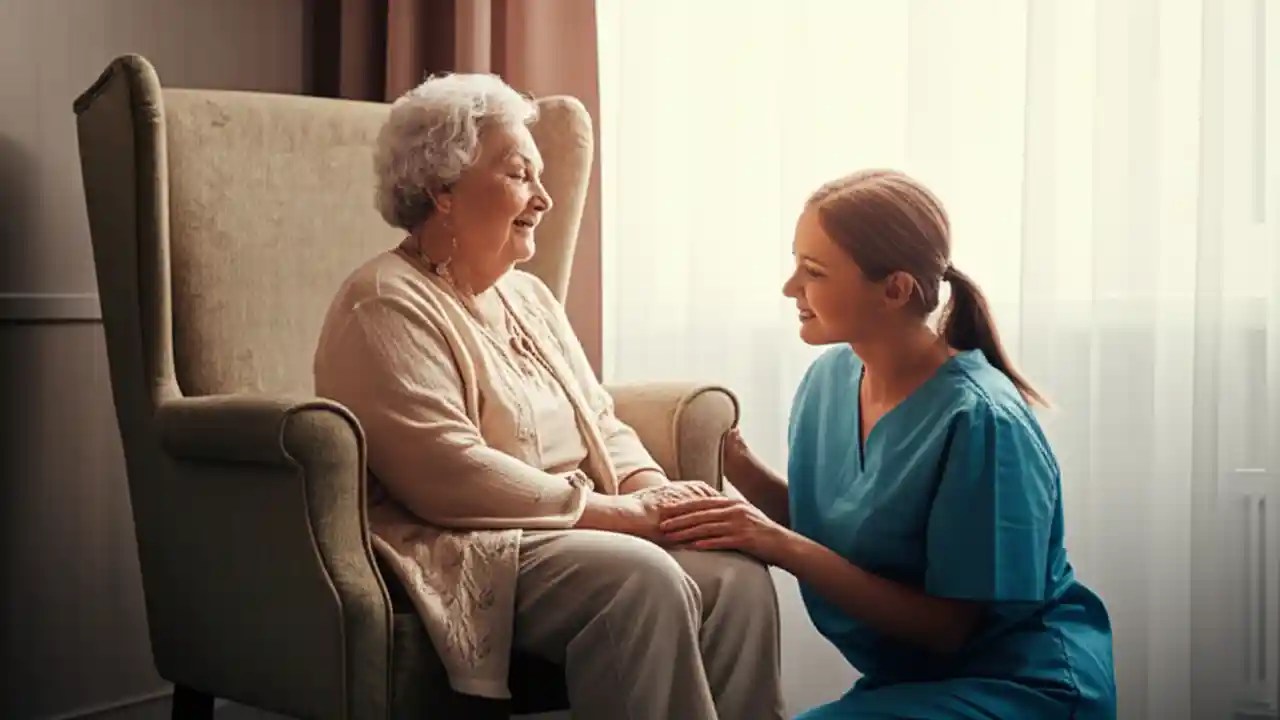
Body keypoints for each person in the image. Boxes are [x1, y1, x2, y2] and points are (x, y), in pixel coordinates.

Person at [312, 73, 784, 720]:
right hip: (480, 538)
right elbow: (449, 474)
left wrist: (658, 495)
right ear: (440, 191)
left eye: (538, 176)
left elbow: (600, 419)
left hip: (576, 527)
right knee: (642, 583)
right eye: (518, 175)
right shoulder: (383, 302)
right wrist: (625, 516)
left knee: (736, 578)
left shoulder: (526, 295)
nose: (544, 199)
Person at [659, 169, 1117, 718]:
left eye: (813, 271)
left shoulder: (982, 421)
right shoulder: (828, 380)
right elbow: (837, 527)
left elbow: (947, 628)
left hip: (1020, 683)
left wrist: (775, 543)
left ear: (894, 289)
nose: (789, 288)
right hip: (912, 683)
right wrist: (737, 467)